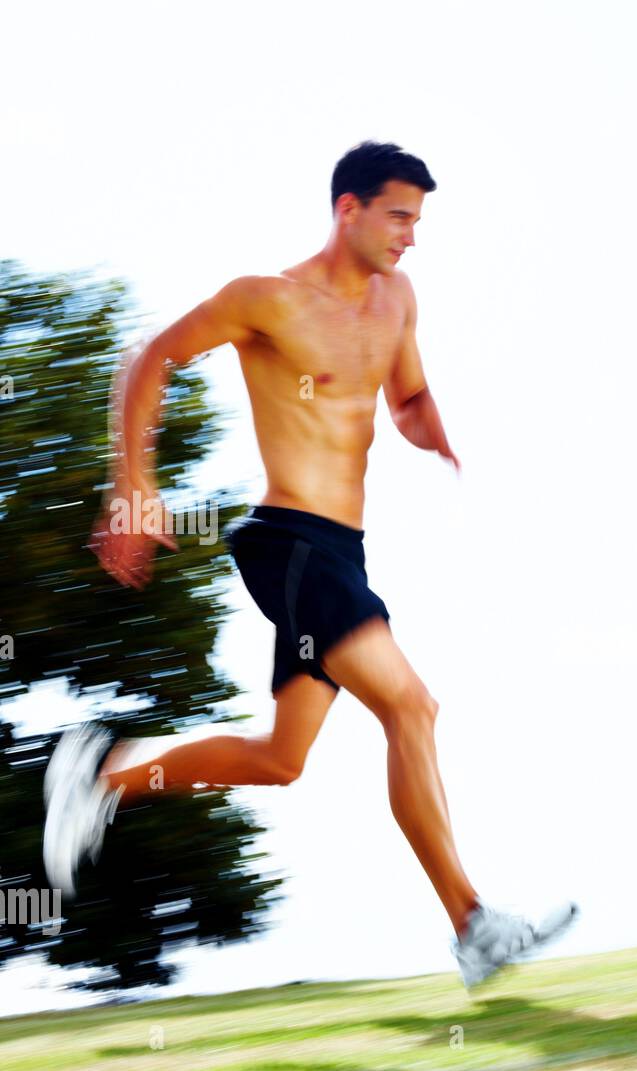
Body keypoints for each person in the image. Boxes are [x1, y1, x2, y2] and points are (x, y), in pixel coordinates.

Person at [42, 140, 578, 990]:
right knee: (412, 705)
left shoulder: (397, 301)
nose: (411, 236)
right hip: (288, 543)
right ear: (349, 209)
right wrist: (134, 487)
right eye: (399, 215)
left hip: (340, 554)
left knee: (281, 759)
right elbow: (151, 356)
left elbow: (401, 393)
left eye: (418, 219)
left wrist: (430, 428)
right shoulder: (270, 301)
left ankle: (104, 774)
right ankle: (474, 925)